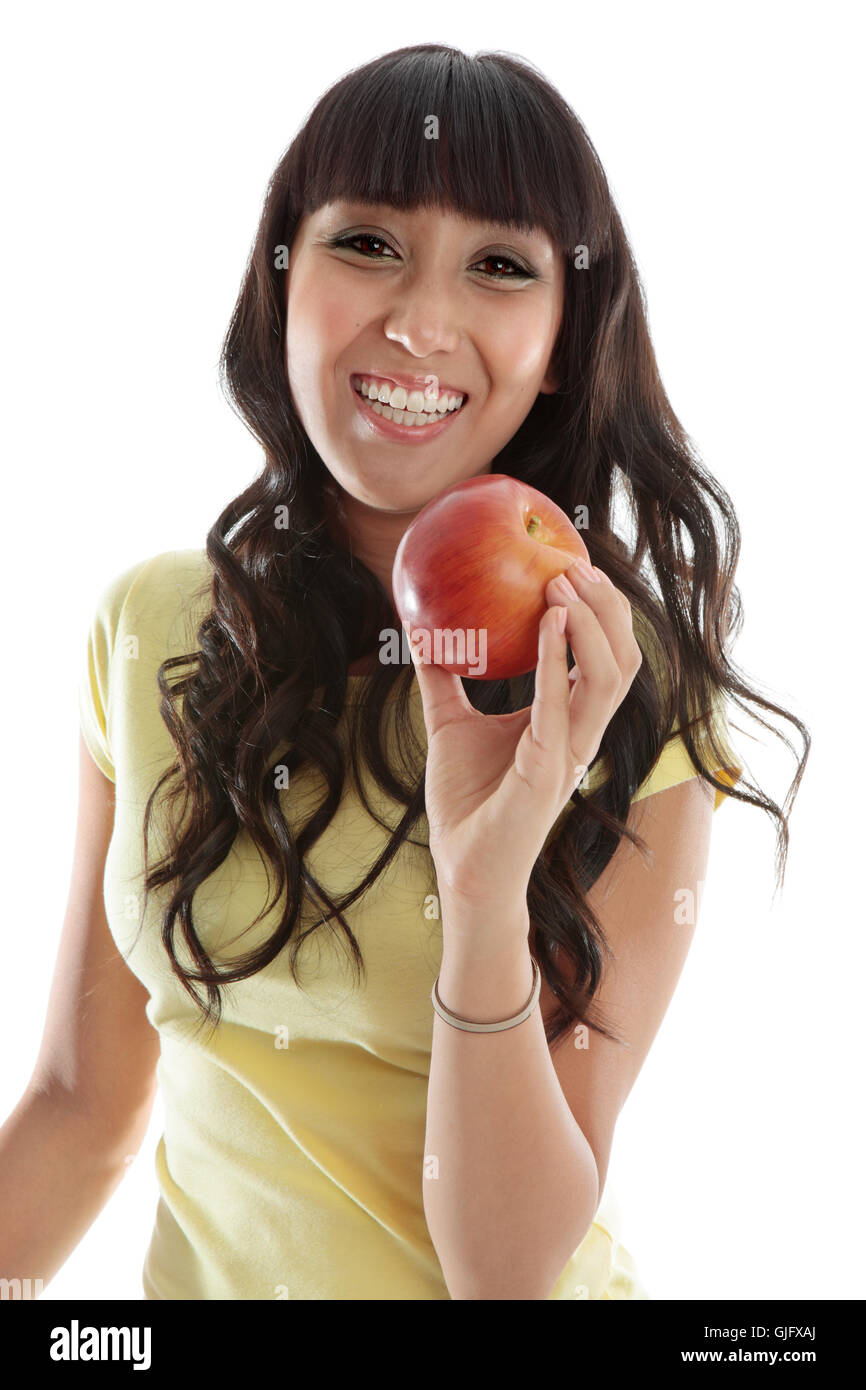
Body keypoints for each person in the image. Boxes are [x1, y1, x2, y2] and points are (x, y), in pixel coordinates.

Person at [3, 43, 808, 1302]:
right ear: (282, 279)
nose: (420, 322)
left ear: (559, 339)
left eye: (497, 265)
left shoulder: (621, 691)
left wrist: (482, 898)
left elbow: (504, 1269)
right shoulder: (154, 627)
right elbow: (78, 1103)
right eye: (366, 243)